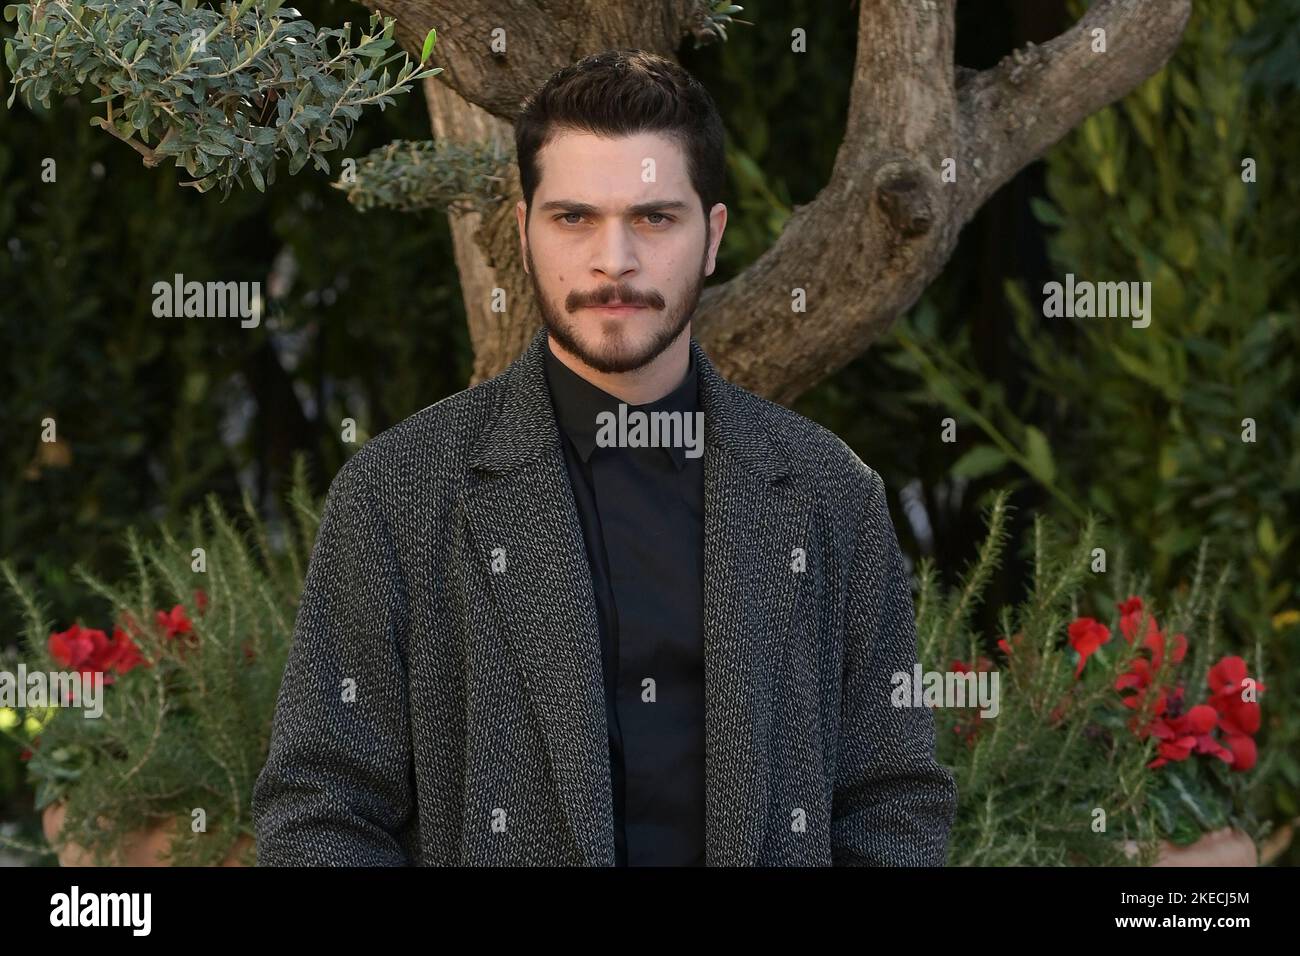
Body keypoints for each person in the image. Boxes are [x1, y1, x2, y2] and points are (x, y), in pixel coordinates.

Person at [252, 48, 957, 866]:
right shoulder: (397, 493)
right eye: (574, 217)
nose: (613, 260)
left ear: (712, 237)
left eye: (654, 217)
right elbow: (321, 811)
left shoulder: (830, 491)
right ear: (523, 232)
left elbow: (893, 798)